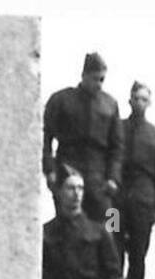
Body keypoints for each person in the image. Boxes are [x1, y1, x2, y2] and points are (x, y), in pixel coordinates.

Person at [43, 52, 124, 225]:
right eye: (95, 79)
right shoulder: (61, 100)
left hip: (99, 174)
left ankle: (113, 250)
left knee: (110, 222)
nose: (99, 84)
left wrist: (113, 177)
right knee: (68, 225)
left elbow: (117, 146)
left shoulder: (110, 104)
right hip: (67, 168)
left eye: (102, 80)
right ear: (84, 75)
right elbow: (45, 136)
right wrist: (50, 170)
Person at [119, 81, 155, 279]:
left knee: (139, 251)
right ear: (129, 100)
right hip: (115, 204)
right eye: (136, 98)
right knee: (112, 243)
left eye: (144, 99)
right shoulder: (117, 128)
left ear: (149, 103)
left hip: (143, 202)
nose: (139, 103)